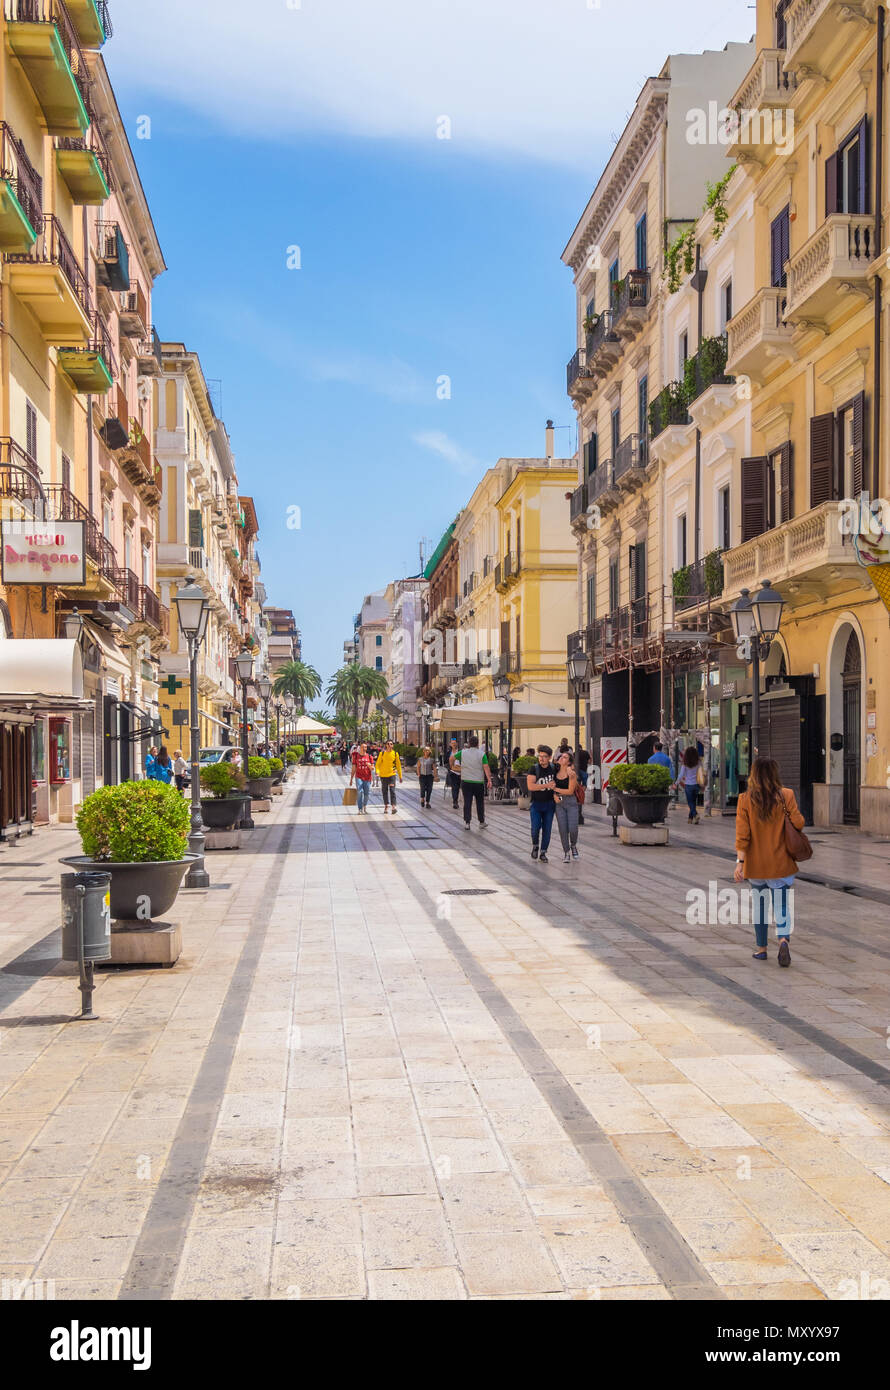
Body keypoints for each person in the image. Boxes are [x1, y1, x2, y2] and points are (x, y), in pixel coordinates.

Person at [734, 756, 805, 967]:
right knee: (782, 905)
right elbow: (799, 823)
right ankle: (783, 939)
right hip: (781, 863)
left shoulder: (744, 799)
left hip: (756, 865)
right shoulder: (787, 795)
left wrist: (740, 862)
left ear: (753, 775)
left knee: (759, 906)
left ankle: (762, 949)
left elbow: (742, 835)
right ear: (775, 774)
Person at [526, 745, 557, 863]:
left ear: (549, 757)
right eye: (540, 756)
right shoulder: (533, 769)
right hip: (536, 804)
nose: (541, 759)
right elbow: (531, 786)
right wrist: (546, 785)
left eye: (544, 757)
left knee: (547, 829)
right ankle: (535, 845)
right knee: (535, 828)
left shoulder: (554, 768)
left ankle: (543, 852)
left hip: (550, 804)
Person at [454, 735, 491, 829]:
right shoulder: (482, 754)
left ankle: (467, 822)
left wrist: (452, 766)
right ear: (478, 743)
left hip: (466, 781)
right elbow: (486, 767)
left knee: (467, 802)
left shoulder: (462, 752)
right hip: (478, 782)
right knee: (479, 802)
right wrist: (489, 780)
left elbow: (452, 758)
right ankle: (481, 822)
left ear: (469, 744)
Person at [553, 751, 580, 863]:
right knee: (563, 829)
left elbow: (570, 791)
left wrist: (555, 790)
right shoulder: (554, 772)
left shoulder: (571, 774)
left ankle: (573, 845)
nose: (562, 758)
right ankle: (566, 853)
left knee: (573, 828)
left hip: (571, 802)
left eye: (565, 757)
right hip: (559, 804)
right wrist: (554, 795)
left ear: (569, 762)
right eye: (561, 757)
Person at [675, 746, 702, 823]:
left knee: (690, 802)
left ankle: (695, 814)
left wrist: (676, 783)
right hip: (696, 785)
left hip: (688, 785)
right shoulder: (698, 762)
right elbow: (701, 772)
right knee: (693, 802)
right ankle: (690, 819)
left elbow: (681, 775)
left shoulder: (685, 763)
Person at [375, 740, 402, 814]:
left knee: (392, 790)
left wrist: (400, 776)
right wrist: (377, 772)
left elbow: (398, 765)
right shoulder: (382, 753)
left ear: (393, 745)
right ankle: (386, 805)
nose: (390, 745)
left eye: (391, 744)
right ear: (386, 745)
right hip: (383, 775)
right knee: (384, 791)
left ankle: (393, 806)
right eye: (388, 744)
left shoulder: (395, 754)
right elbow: (377, 764)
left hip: (392, 775)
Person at [350, 742, 374, 814]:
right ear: (360, 748)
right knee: (359, 792)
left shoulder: (370, 757)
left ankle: (364, 806)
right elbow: (354, 768)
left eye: (365, 747)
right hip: (359, 776)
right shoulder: (356, 757)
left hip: (367, 777)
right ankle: (360, 808)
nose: (364, 748)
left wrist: (370, 766)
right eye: (362, 747)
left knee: (367, 793)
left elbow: (373, 768)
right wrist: (351, 779)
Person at [575, 745, 590, 824]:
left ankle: (578, 793)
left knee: (577, 784)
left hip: (577, 771)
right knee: (584, 784)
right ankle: (582, 792)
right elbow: (590, 761)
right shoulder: (585, 753)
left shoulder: (574, 753)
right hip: (584, 770)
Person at [447, 739, 461, 810]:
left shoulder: (460, 751)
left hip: (461, 772)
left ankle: (456, 800)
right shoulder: (449, 752)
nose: (454, 744)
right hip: (453, 772)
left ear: (457, 744)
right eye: (452, 743)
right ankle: (455, 801)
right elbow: (446, 762)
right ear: (450, 744)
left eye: (455, 743)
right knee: (454, 787)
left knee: (458, 787)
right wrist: (450, 768)